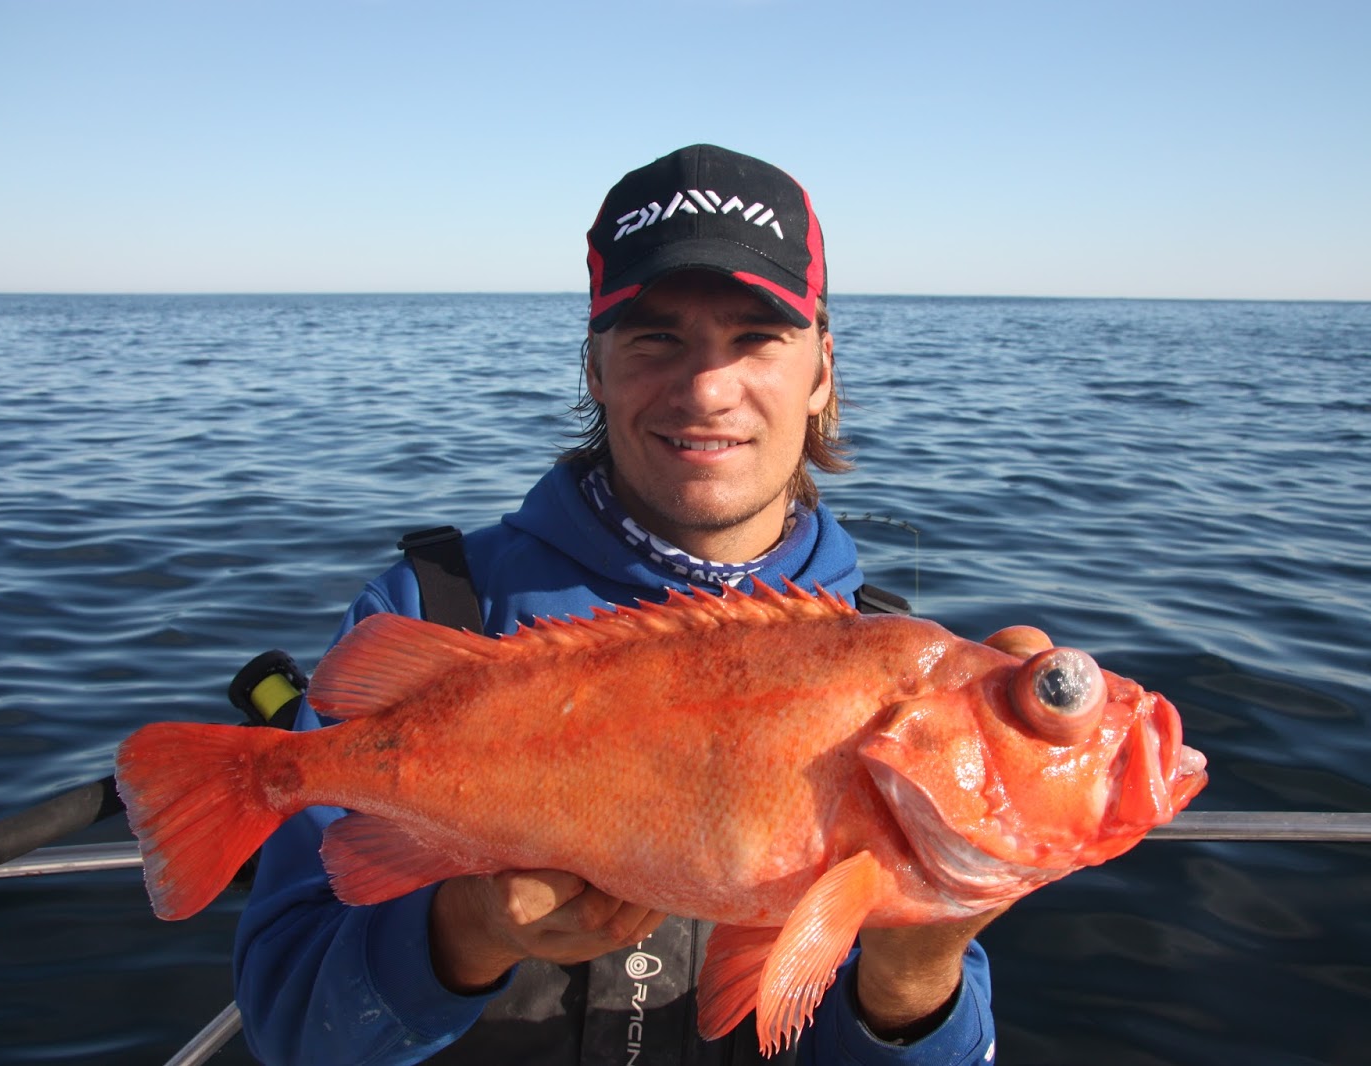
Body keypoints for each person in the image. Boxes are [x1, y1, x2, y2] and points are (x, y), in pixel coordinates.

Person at [233, 144, 998, 1065]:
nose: (708, 388)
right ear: (594, 369)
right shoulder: (438, 612)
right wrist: (467, 929)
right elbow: (290, 1031)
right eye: (655, 339)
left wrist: (914, 971)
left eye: (757, 337)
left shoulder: (882, 668)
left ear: (822, 371)